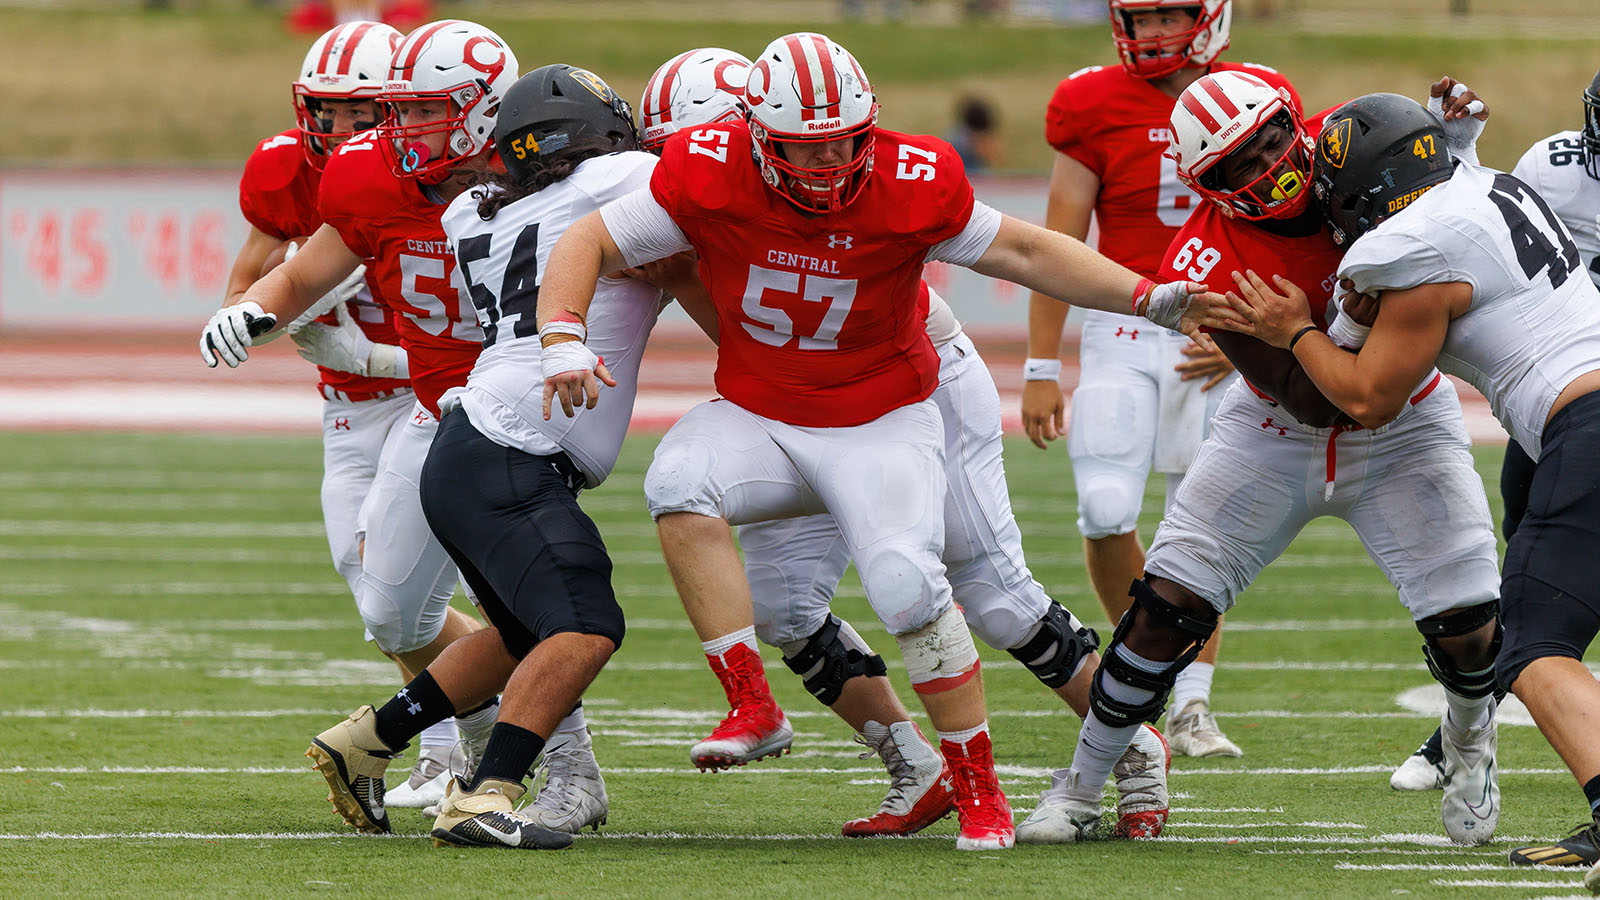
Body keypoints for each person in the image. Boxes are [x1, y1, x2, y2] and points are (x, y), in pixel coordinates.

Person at [535, 32, 1232, 851]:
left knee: (989, 594)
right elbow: (745, 331)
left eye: (838, 142)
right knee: (783, 604)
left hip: (921, 386)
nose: (824, 163)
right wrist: (568, 332)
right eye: (661, 155)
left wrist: (1148, 299)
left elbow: (1018, 249)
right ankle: (914, 764)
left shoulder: (901, 181)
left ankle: (1133, 746)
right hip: (789, 404)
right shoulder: (703, 174)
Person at [1016, 73, 1506, 847]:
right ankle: (1080, 785)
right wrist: (1327, 326)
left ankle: (1472, 746)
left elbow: (1460, 207)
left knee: (1469, 622)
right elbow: (1309, 400)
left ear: (1295, 121)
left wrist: (1454, 148)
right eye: (1235, 168)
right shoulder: (1208, 254)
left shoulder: (1356, 153)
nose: (1266, 167)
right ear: (1207, 188)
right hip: (1277, 429)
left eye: (1272, 141)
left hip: (1405, 423)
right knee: (1161, 613)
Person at [1219, 92, 1600, 884]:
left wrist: (1296, 330)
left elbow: (1363, 398)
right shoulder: (1497, 186)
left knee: (1533, 644)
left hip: (1586, 421)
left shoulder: (1410, 243)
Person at [306, 64, 658, 850]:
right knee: (584, 624)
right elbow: (703, 195)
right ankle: (485, 793)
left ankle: (364, 741)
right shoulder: (619, 180)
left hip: (465, 448)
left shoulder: (476, 213)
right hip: (510, 448)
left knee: (520, 633)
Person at [201, 19, 520, 834]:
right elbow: (265, 282)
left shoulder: (489, 179)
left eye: (359, 111)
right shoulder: (322, 172)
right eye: (326, 110)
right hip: (352, 405)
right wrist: (259, 313)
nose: (339, 129)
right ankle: (476, 716)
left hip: (438, 394)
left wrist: (368, 351)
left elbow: (466, 342)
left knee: (410, 585)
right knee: (378, 591)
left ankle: (477, 734)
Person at [1022, 0, 1257, 758]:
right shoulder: (1088, 100)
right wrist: (1038, 366)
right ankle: (1146, 667)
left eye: (1169, 17)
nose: (1153, 33)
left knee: (1203, 523)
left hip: (1217, 334)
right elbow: (1057, 245)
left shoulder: (1260, 93)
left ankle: (1192, 704)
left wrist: (1250, 335)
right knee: (1104, 505)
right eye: (1141, 18)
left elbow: (1281, 228)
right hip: (1125, 324)